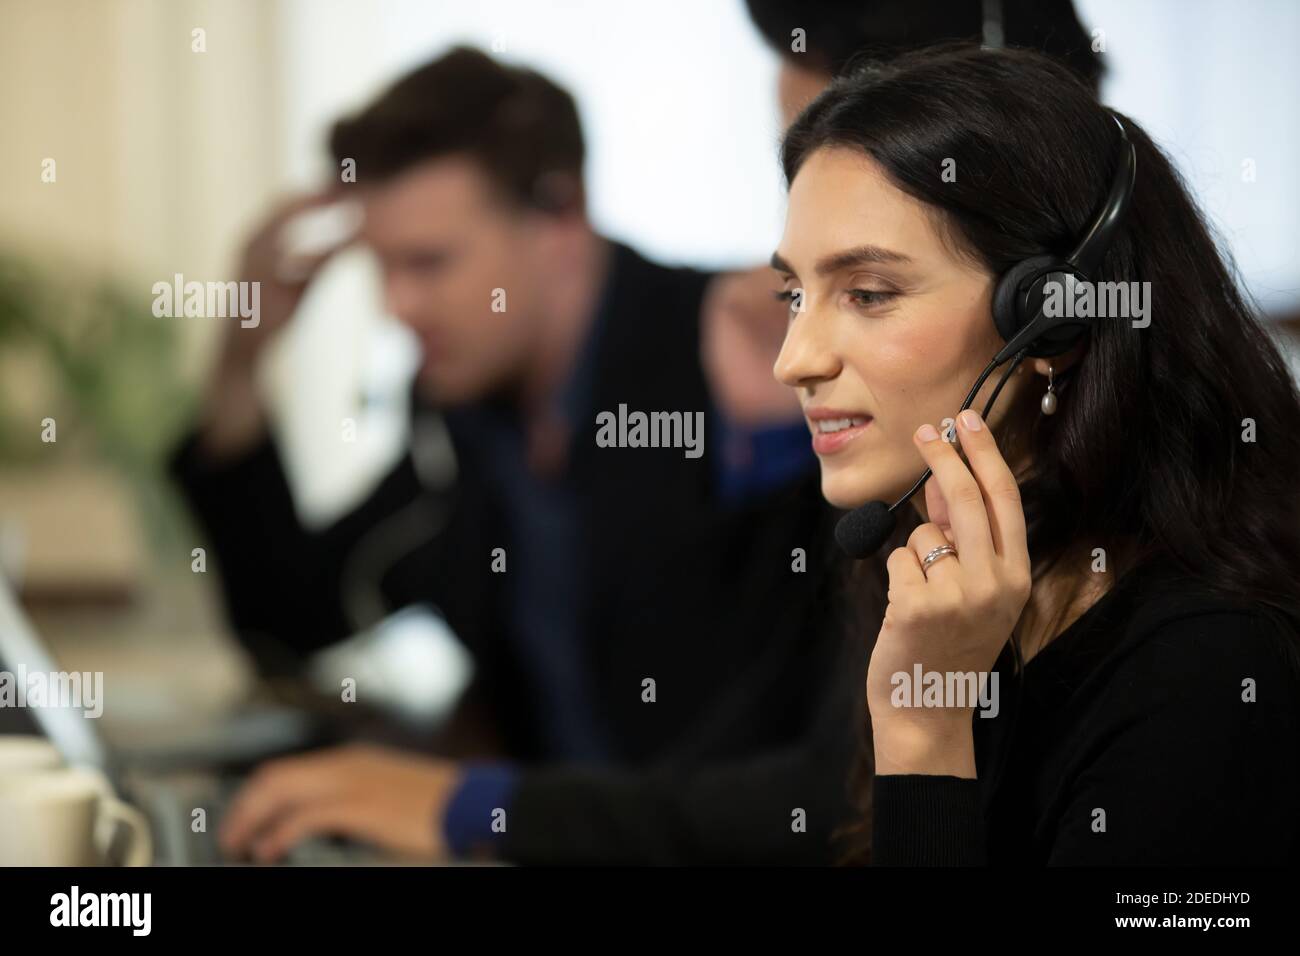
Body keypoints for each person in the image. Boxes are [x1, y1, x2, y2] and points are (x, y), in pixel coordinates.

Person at [172, 46, 856, 865]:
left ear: (560, 218)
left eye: (430, 262)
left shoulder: (746, 369)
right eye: (381, 268)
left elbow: (828, 790)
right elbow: (294, 617)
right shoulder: (467, 416)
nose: (398, 307)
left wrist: (471, 806)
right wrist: (242, 362)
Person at [771, 44, 1300, 864]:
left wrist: (923, 732)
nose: (793, 359)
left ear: (1050, 322)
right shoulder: (936, 588)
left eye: (868, 294)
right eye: (794, 296)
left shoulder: (1209, 675)